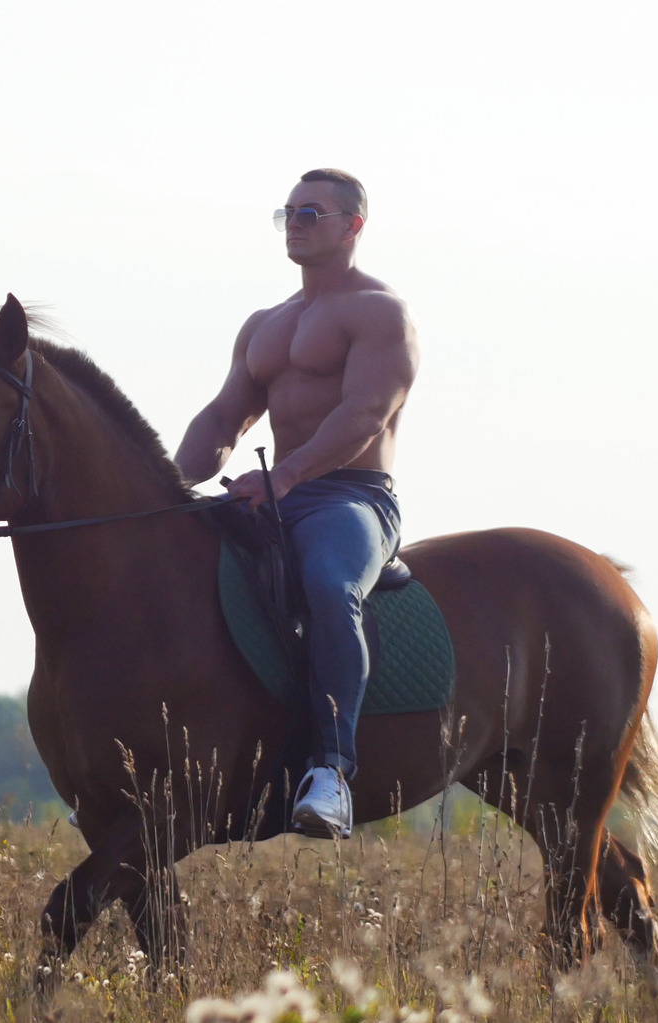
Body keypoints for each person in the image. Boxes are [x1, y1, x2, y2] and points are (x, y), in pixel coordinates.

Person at [174, 168, 419, 839]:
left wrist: (283, 479)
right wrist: (167, 484)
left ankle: (332, 772)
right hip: (274, 493)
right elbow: (223, 419)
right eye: (288, 213)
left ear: (354, 225)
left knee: (330, 585)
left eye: (311, 213)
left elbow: (365, 413)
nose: (295, 224)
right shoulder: (266, 324)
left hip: (351, 497)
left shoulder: (380, 312)